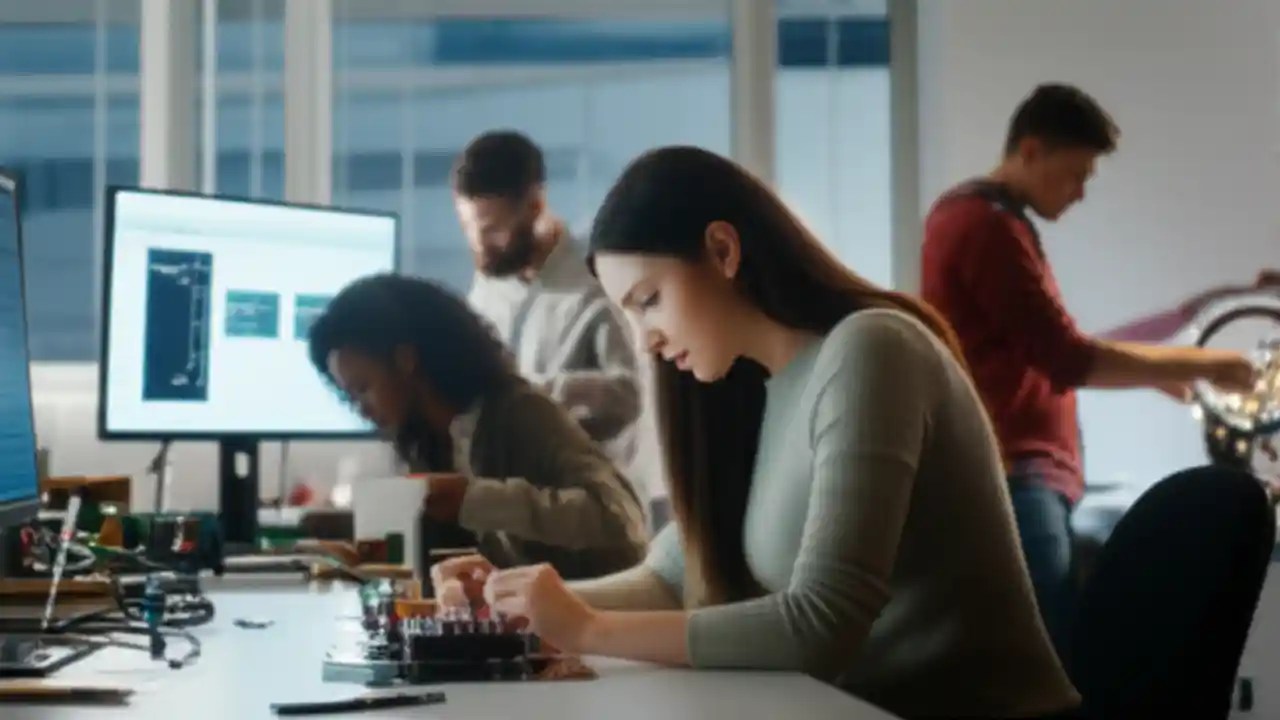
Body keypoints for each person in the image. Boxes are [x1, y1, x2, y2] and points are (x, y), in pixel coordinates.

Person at [431, 146, 1082, 720]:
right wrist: (516, 606)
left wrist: (586, 627)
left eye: (649, 300)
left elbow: (820, 627)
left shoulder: (871, 349)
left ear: (722, 251)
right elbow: (667, 578)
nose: (644, 341)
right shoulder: (748, 391)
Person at [919, 83, 1257, 661]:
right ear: (1031, 151)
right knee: (1044, 663)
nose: (1078, 194)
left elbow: (1052, 348)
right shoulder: (983, 226)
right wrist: (1215, 363)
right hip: (1017, 472)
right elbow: (1069, 358)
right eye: (1075, 174)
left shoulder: (998, 223)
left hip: (1028, 474)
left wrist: (1161, 367)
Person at [306, 273, 648, 580]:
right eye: (350, 399)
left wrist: (471, 499)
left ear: (405, 360)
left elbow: (620, 521)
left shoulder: (519, 413)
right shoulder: (428, 444)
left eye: (363, 388)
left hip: (600, 621)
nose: (362, 411)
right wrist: (356, 560)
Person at [452, 130, 660, 519]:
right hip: (517, 511)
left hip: (598, 514)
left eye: (494, 230)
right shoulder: (486, 289)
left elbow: (627, 394)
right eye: (470, 229)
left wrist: (533, 394)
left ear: (535, 205)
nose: (481, 246)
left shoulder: (596, 282)